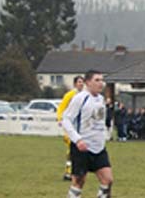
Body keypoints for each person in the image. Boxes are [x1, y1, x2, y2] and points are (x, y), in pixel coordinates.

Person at [60, 70, 114, 198]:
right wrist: (78, 140)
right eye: (97, 80)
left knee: (108, 180)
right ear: (88, 82)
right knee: (78, 182)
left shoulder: (101, 99)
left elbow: (99, 121)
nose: (101, 83)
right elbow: (66, 119)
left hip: (98, 147)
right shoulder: (80, 98)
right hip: (82, 147)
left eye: (102, 80)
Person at [56, 76, 86, 181]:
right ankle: (69, 172)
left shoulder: (85, 96)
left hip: (80, 127)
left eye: (82, 82)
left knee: (80, 150)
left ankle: (77, 170)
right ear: (75, 84)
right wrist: (60, 119)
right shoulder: (70, 95)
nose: (81, 84)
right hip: (70, 127)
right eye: (79, 82)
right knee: (72, 149)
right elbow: (61, 107)